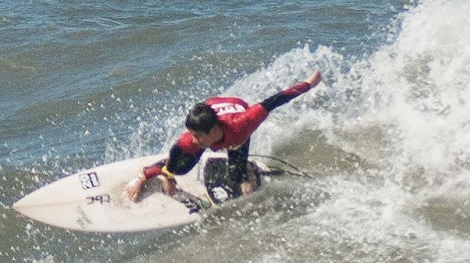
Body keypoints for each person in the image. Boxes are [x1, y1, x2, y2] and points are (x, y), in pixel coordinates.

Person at [125, 70, 322, 202]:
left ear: (212, 132)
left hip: (235, 116)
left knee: (238, 178)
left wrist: (309, 84)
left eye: (197, 136)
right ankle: (144, 174)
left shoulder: (243, 124)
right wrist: (168, 177)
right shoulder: (193, 139)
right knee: (180, 167)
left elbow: (275, 100)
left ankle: (247, 170)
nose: (193, 140)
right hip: (211, 108)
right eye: (192, 134)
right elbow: (176, 154)